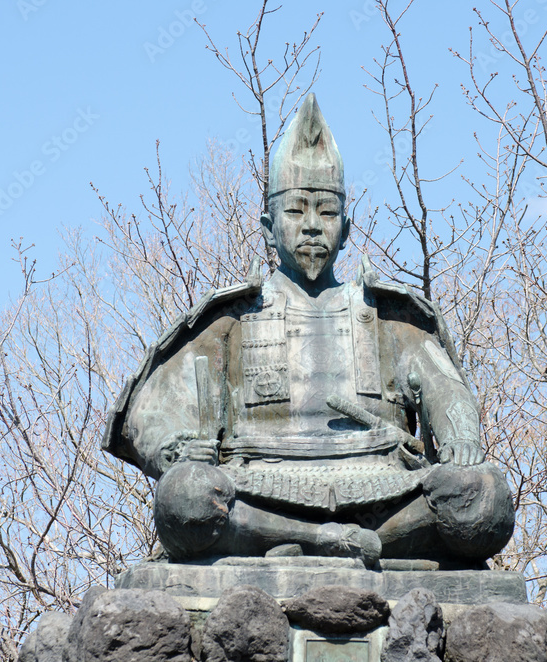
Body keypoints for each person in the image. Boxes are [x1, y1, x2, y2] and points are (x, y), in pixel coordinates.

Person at [103, 94, 514, 567]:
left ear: (347, 223)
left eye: (327, 212)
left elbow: (446, 389)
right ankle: (327, 542)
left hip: (383, 490)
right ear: (267, 226)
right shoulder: (232, 320)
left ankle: (309, 542)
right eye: (296, 212)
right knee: (185, 499)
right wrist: (177, 450)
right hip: (259, 489)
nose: (313, 227)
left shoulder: (390, 318)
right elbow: (151, 414)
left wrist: (459, 430)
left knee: (483, 495)